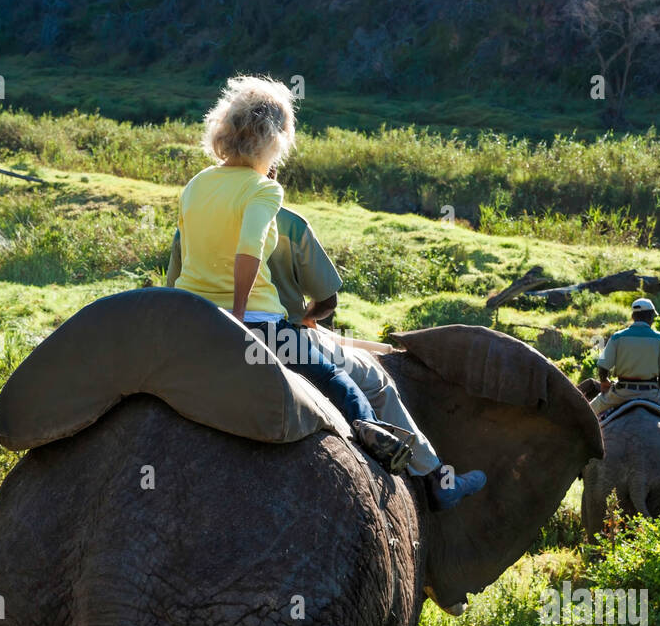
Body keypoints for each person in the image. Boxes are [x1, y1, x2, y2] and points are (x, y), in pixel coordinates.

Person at [168, 200, 487, 510]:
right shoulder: (289, 223)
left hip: (206, 331)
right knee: (377, 382)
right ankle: (436, 479)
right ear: (271, 168)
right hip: (283, 336)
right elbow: (327, 299)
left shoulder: (192, 218)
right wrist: (309, 316)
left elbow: (174, 289)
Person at [172, 75, 417, 477]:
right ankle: (373, 432)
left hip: (189, 316)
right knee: (335, 378)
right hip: (257, 323)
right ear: (273, 140)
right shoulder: (263, 190)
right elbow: (248, 250)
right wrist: (236, 315)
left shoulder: (196, 184)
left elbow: (185, 250)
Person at [592, 299, 660, 475]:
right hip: (651, 393)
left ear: (633, 316)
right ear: (650, 317)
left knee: (590, 411)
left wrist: (604, 382)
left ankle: (580, 456)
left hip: (621, 392)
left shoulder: (618, 337)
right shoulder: (659, 338)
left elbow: (603, 366)